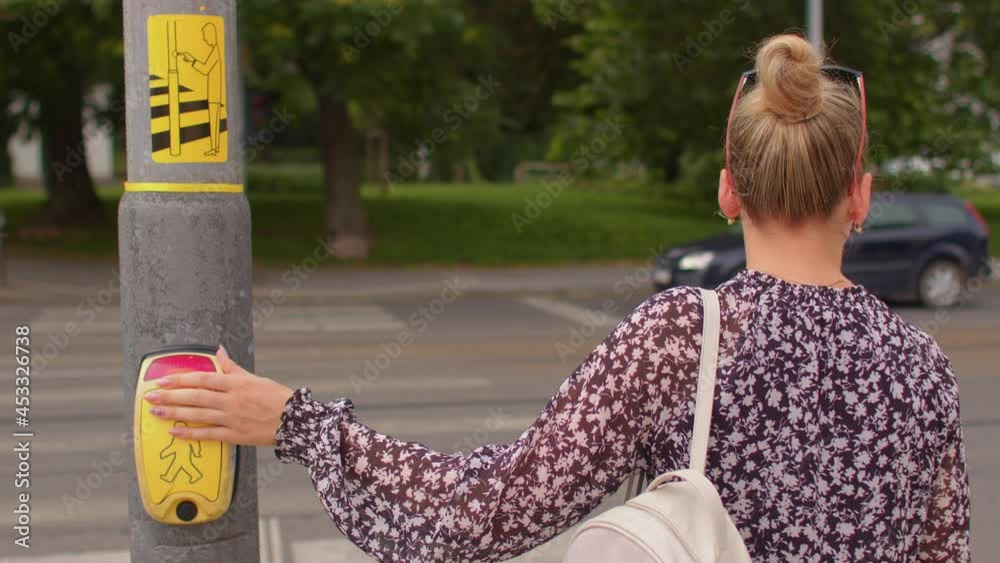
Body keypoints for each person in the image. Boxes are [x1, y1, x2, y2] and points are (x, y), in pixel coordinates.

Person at [144, 34, 970, 562]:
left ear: (727, 191)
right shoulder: (924, 369)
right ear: (859, 198)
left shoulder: (685, 335)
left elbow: (487, 511)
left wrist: (297, 421)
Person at [179, 22, 223, 157]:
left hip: (215, 93)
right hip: (214, 92)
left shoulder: (216, 51)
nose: (204, 39)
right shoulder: (216, 50)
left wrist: (191, 60)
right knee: (213, 120)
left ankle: (215, 148)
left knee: (214, 120)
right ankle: (215, 148)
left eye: (205, 36)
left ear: (212, 35)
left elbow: (205, 69)